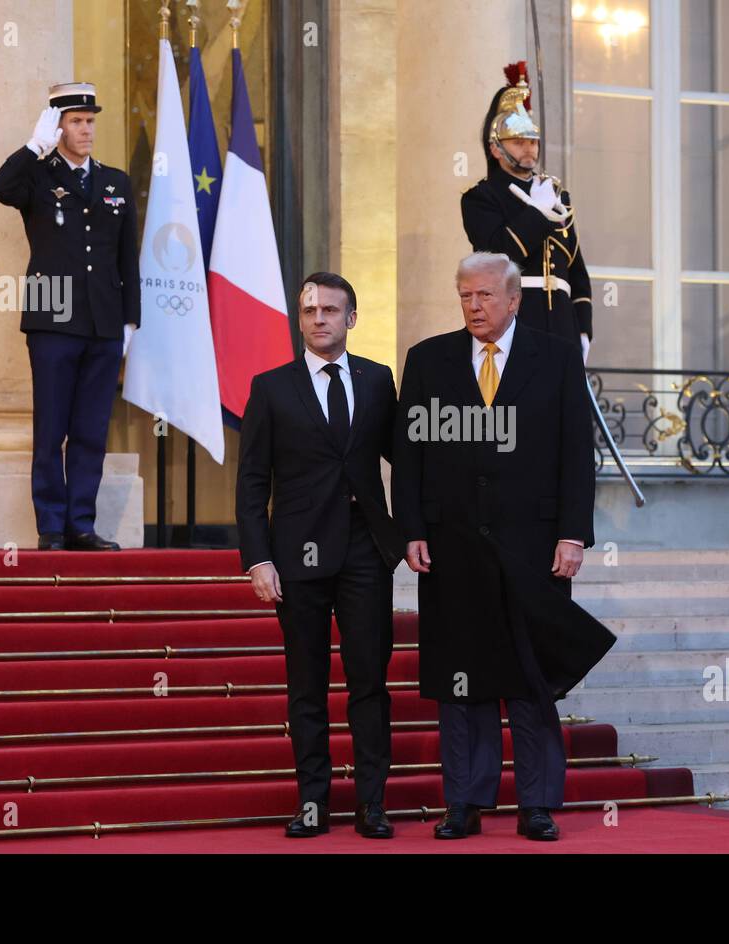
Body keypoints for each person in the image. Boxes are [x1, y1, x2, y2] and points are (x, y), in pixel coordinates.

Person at [392, 251, 614, 842]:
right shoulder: (428, 360)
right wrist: (410, 527)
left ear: (515, 300)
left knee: (531, 678)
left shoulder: (559, 358)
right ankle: (463, 801)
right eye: (465, 295)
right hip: (451, 546)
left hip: (536, 546)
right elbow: (409, 454)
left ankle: (536, 803)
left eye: (485, 295)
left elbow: (575, 455)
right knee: (461, 679)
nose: (473, 306)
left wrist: (573, 533)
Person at [236, 272, 403, 839]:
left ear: (351, 318)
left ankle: (372, 805)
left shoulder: (379, 381)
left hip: (365, 553)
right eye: (309, 311)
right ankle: (312, 804)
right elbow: (252, 481)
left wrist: (408, 533)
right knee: (306, 687)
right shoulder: (271, 387)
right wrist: (258, 558)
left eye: (330, 310)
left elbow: (407, 460)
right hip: (297, 557)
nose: (318, 320)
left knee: (368, 685)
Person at [0, 82, 138, 551]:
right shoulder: (35, 176)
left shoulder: (115, 182)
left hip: (103, 323)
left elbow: (127, 257)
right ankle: (51, 527)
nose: (86, 129)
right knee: (51, 428)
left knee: (91, 430)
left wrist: (130, 320)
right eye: (76, 121)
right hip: (53, 321)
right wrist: (34, 147)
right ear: (58, 126)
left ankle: (81, 525)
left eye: (90, 121)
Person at [461, 62, 594, 361]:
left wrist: (583, 327)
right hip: (515, 320)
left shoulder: (557, 196)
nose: (529, 150)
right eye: (519, 142)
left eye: (533, 142)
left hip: (563, 324)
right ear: (496, 148)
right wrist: (536, 213)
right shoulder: (481, 198)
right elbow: (498, 257)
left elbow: (576, 270)